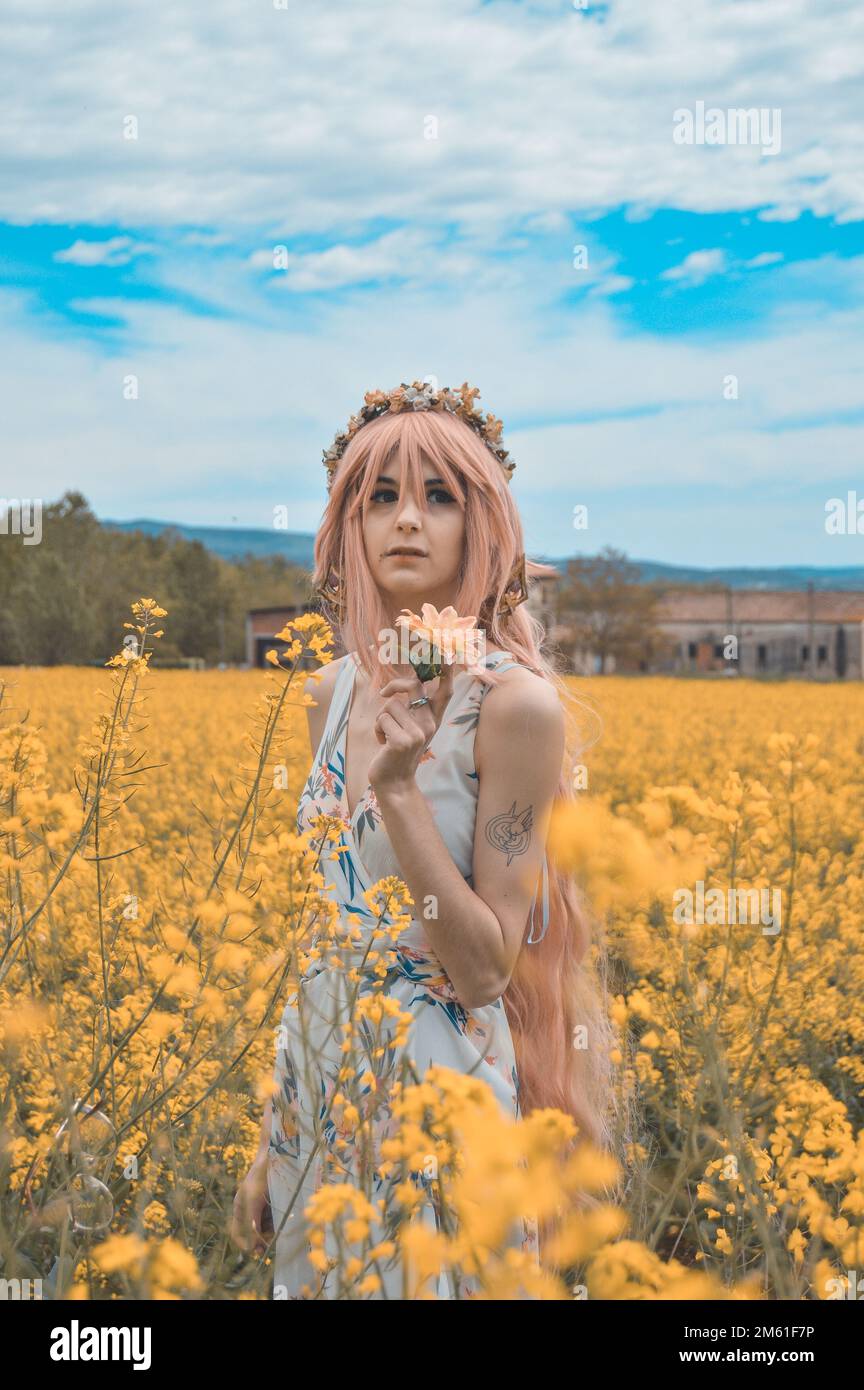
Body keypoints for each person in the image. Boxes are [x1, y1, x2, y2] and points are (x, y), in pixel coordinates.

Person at [231, 380, 614, 1298]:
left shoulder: (511, 705)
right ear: (349, 525)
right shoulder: (327, 692)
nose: (409, 521)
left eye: (440, 496)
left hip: (446, 1108)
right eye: (382, 497)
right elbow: (326, 930)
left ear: (479, 525)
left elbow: (485, 973)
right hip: (322, 1089)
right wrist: (273, 1132)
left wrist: (399, 792)